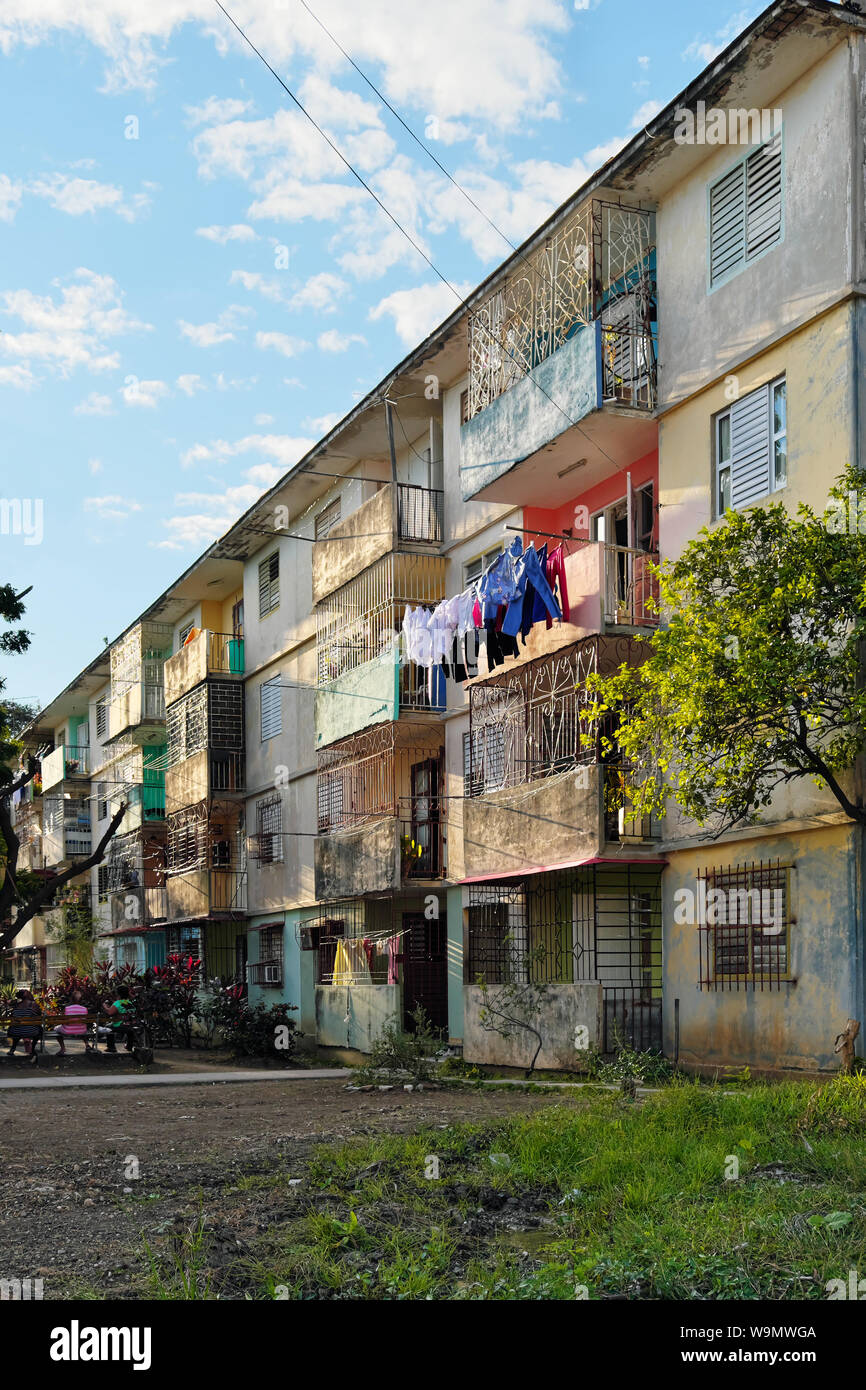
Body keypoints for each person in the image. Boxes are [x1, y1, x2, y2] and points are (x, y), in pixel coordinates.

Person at [6, 989, 42, 1059]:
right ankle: (32, 1049)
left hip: (15, 1032)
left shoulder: (16, 1005)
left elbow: (12, 1016)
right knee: (40, 1030)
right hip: (31, 1032)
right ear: (28, 995)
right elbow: (39, 1016)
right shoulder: (33, 1004)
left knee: (18, 1029)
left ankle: (12, 1049)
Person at [52, 989, 89, 1055]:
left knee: (56, 1029)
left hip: (68, 1030)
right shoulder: (84, 1009)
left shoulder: (67, 1008)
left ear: (71, 999)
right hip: (82, 1030)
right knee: (81, 1027)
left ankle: (63, 1049)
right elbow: (85, 1021)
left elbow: (63, 1021)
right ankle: (87, 1045)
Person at [100, 984, 134, 1053]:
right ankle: (129, 1046)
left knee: (108, 1027)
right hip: (130, 1025)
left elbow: (109, 1012)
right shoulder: (129, 1002)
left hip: (120, 1025)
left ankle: (111, 1047)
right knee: (130, 1031)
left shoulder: (117, 1003)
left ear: (118, 994)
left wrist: (104, 1006)